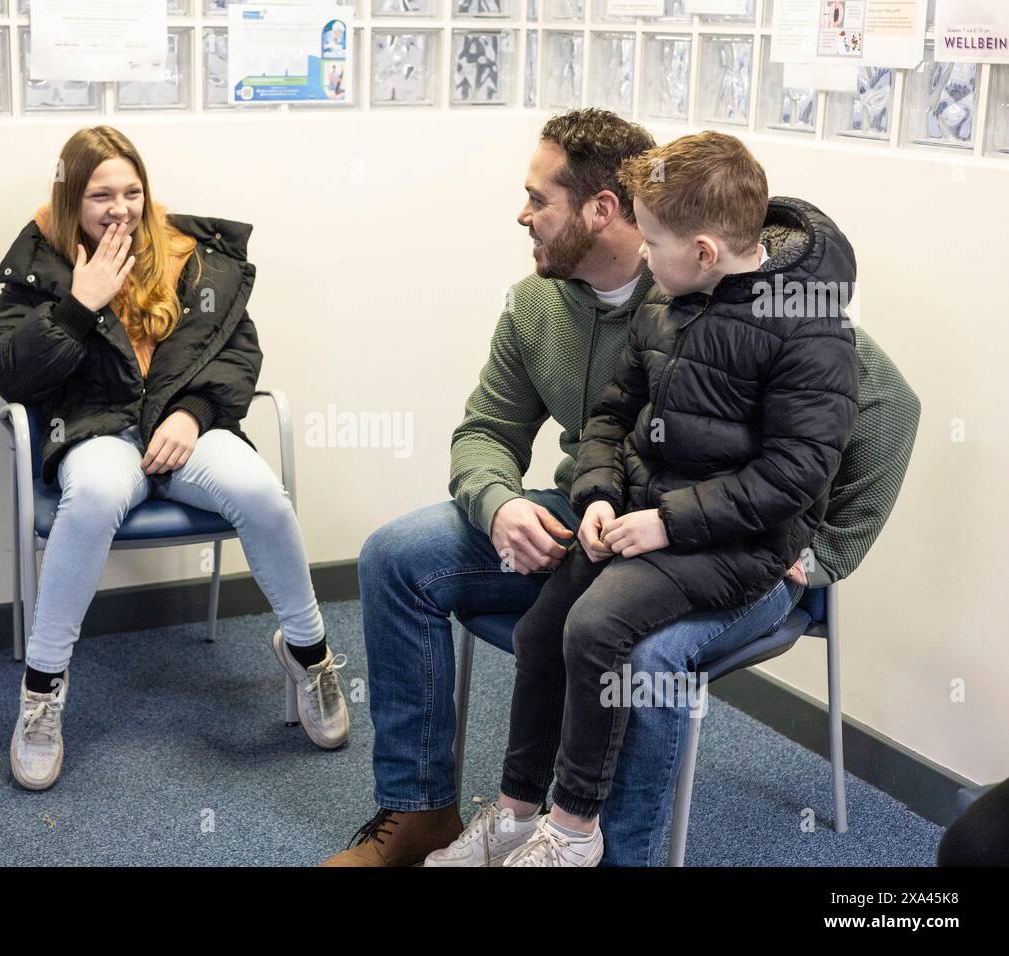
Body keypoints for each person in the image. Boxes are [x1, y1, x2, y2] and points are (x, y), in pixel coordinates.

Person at [324, 109, 920, 867]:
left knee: (640, 652)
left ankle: (607, 852)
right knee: (396, 557)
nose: (522, 214)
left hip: (734, 545)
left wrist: (832, 551)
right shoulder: (538, 302)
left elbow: (890, 409)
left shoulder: (741, 294)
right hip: (604, 512)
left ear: (606, 213)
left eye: (539, 198)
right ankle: (423, 814)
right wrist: (500, 503)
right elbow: (488, 432)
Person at [0, 126, 349, 791]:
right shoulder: (44, 264)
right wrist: (78, 305)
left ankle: (308, 653)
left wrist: (192, 412)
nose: (119, 208)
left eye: (131, 191)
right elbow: (7, 371)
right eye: (99, 196)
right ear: (71, 201)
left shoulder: (190, 257)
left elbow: (236, 354)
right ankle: (42, 688)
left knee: (262, 495)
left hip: (184, 430)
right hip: (97, 435)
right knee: (89, 498)